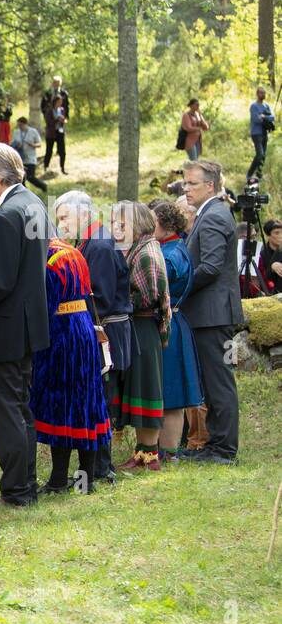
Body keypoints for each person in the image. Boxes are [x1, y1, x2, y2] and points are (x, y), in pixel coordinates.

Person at [0, 143, 50, 507]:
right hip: (28, 325)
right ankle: (25, 485)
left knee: (7, 413)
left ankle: (17, 490)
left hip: (2, 329)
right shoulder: (34, 205)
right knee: (21, 408)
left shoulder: (7, 215)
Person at [52, 190, 132, 484]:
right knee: (97, 395)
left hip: (104, 329)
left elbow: (99, 296)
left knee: (100, 398)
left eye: (64, 217)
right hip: (99, 328)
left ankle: (100, 468)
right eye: (58, 218)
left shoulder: (97, 244)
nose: (61, 224)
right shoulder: (90, 240)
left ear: (84, 213)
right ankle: (98, 466)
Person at [31, 234, 111, 494]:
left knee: (61, 403)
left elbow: (44, 305)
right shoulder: (73, 252)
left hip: (62, 334)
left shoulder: (48, 261)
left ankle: (57, 479)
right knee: (86, 401)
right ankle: (85, 479)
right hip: (83, 328)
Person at [181, 159, 243, 464]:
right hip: (208, 313)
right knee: (211, 382)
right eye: (185, 183)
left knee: (219, 382)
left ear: (210, 185)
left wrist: (180, 285)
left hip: (214, 314)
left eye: (192, 183)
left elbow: (211, 267)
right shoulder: (209, 213)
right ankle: (213, 444)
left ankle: (224, 450)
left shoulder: (215, 216)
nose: (186, 188)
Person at [109, 201, 171, 472]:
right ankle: (140, 453)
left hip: (144, 329)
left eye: (121, 224)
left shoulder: (147, 251)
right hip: (136, 329)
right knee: (138, 387)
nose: (115, 229)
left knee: (146, 388)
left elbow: (148, 296)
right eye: (114, 223)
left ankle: (150, 456)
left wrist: (117, 300)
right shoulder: (136, 247)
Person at [149, 200, 204, 464]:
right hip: (168, 324)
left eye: (153, 221)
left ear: (166, 223)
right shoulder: (167, 248)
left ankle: (168, 453)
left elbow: (157, 291)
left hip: (169, 325)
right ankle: (159, 450)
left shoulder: (172, 254)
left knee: (171, 393)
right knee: (163, 390)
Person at [11, 117, 47, 191]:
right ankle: (24, 193)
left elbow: (39, 144)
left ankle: (43, 186)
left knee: (30, 177)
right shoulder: (16, 132)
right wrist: (17, 145)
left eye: (21, 125)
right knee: (21, 178)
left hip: (30, 157)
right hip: (20, 157)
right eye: (18, 125)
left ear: (25, 124)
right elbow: (12, 143)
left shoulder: (33, 131)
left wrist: (33, 145)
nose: (20, 127)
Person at [249, 86, 275, 180]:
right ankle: (249, 174)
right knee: (260, 154)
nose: (263, 95)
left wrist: (264, 116)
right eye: (261, 93)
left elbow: (272, 117)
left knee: (263, 156)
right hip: (256, 133)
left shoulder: (266, 105)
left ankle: (259, 175)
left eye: (264, 93)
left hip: (264, 133)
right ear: (257, 94)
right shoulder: (254, 106)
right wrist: (264, 117)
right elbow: (256, 119)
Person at [42, 95, 68, 175]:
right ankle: (46, 166)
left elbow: (65, 118)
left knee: (62, 151)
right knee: (49, 151)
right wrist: (57, 120)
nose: (61, 103)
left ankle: (62, 168)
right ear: (55, 102)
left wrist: (64, 120)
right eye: (59, 101)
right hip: (51, 133)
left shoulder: (62, 110)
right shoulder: (49, 111)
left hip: (60, 132)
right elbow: (48, 122)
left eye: (61, 101)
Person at [261, 218, 282, 293]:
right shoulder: (262, 253)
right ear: (268, 236)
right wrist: (272, 266)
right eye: (277, 233)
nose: (281, 235)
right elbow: (265, 277)